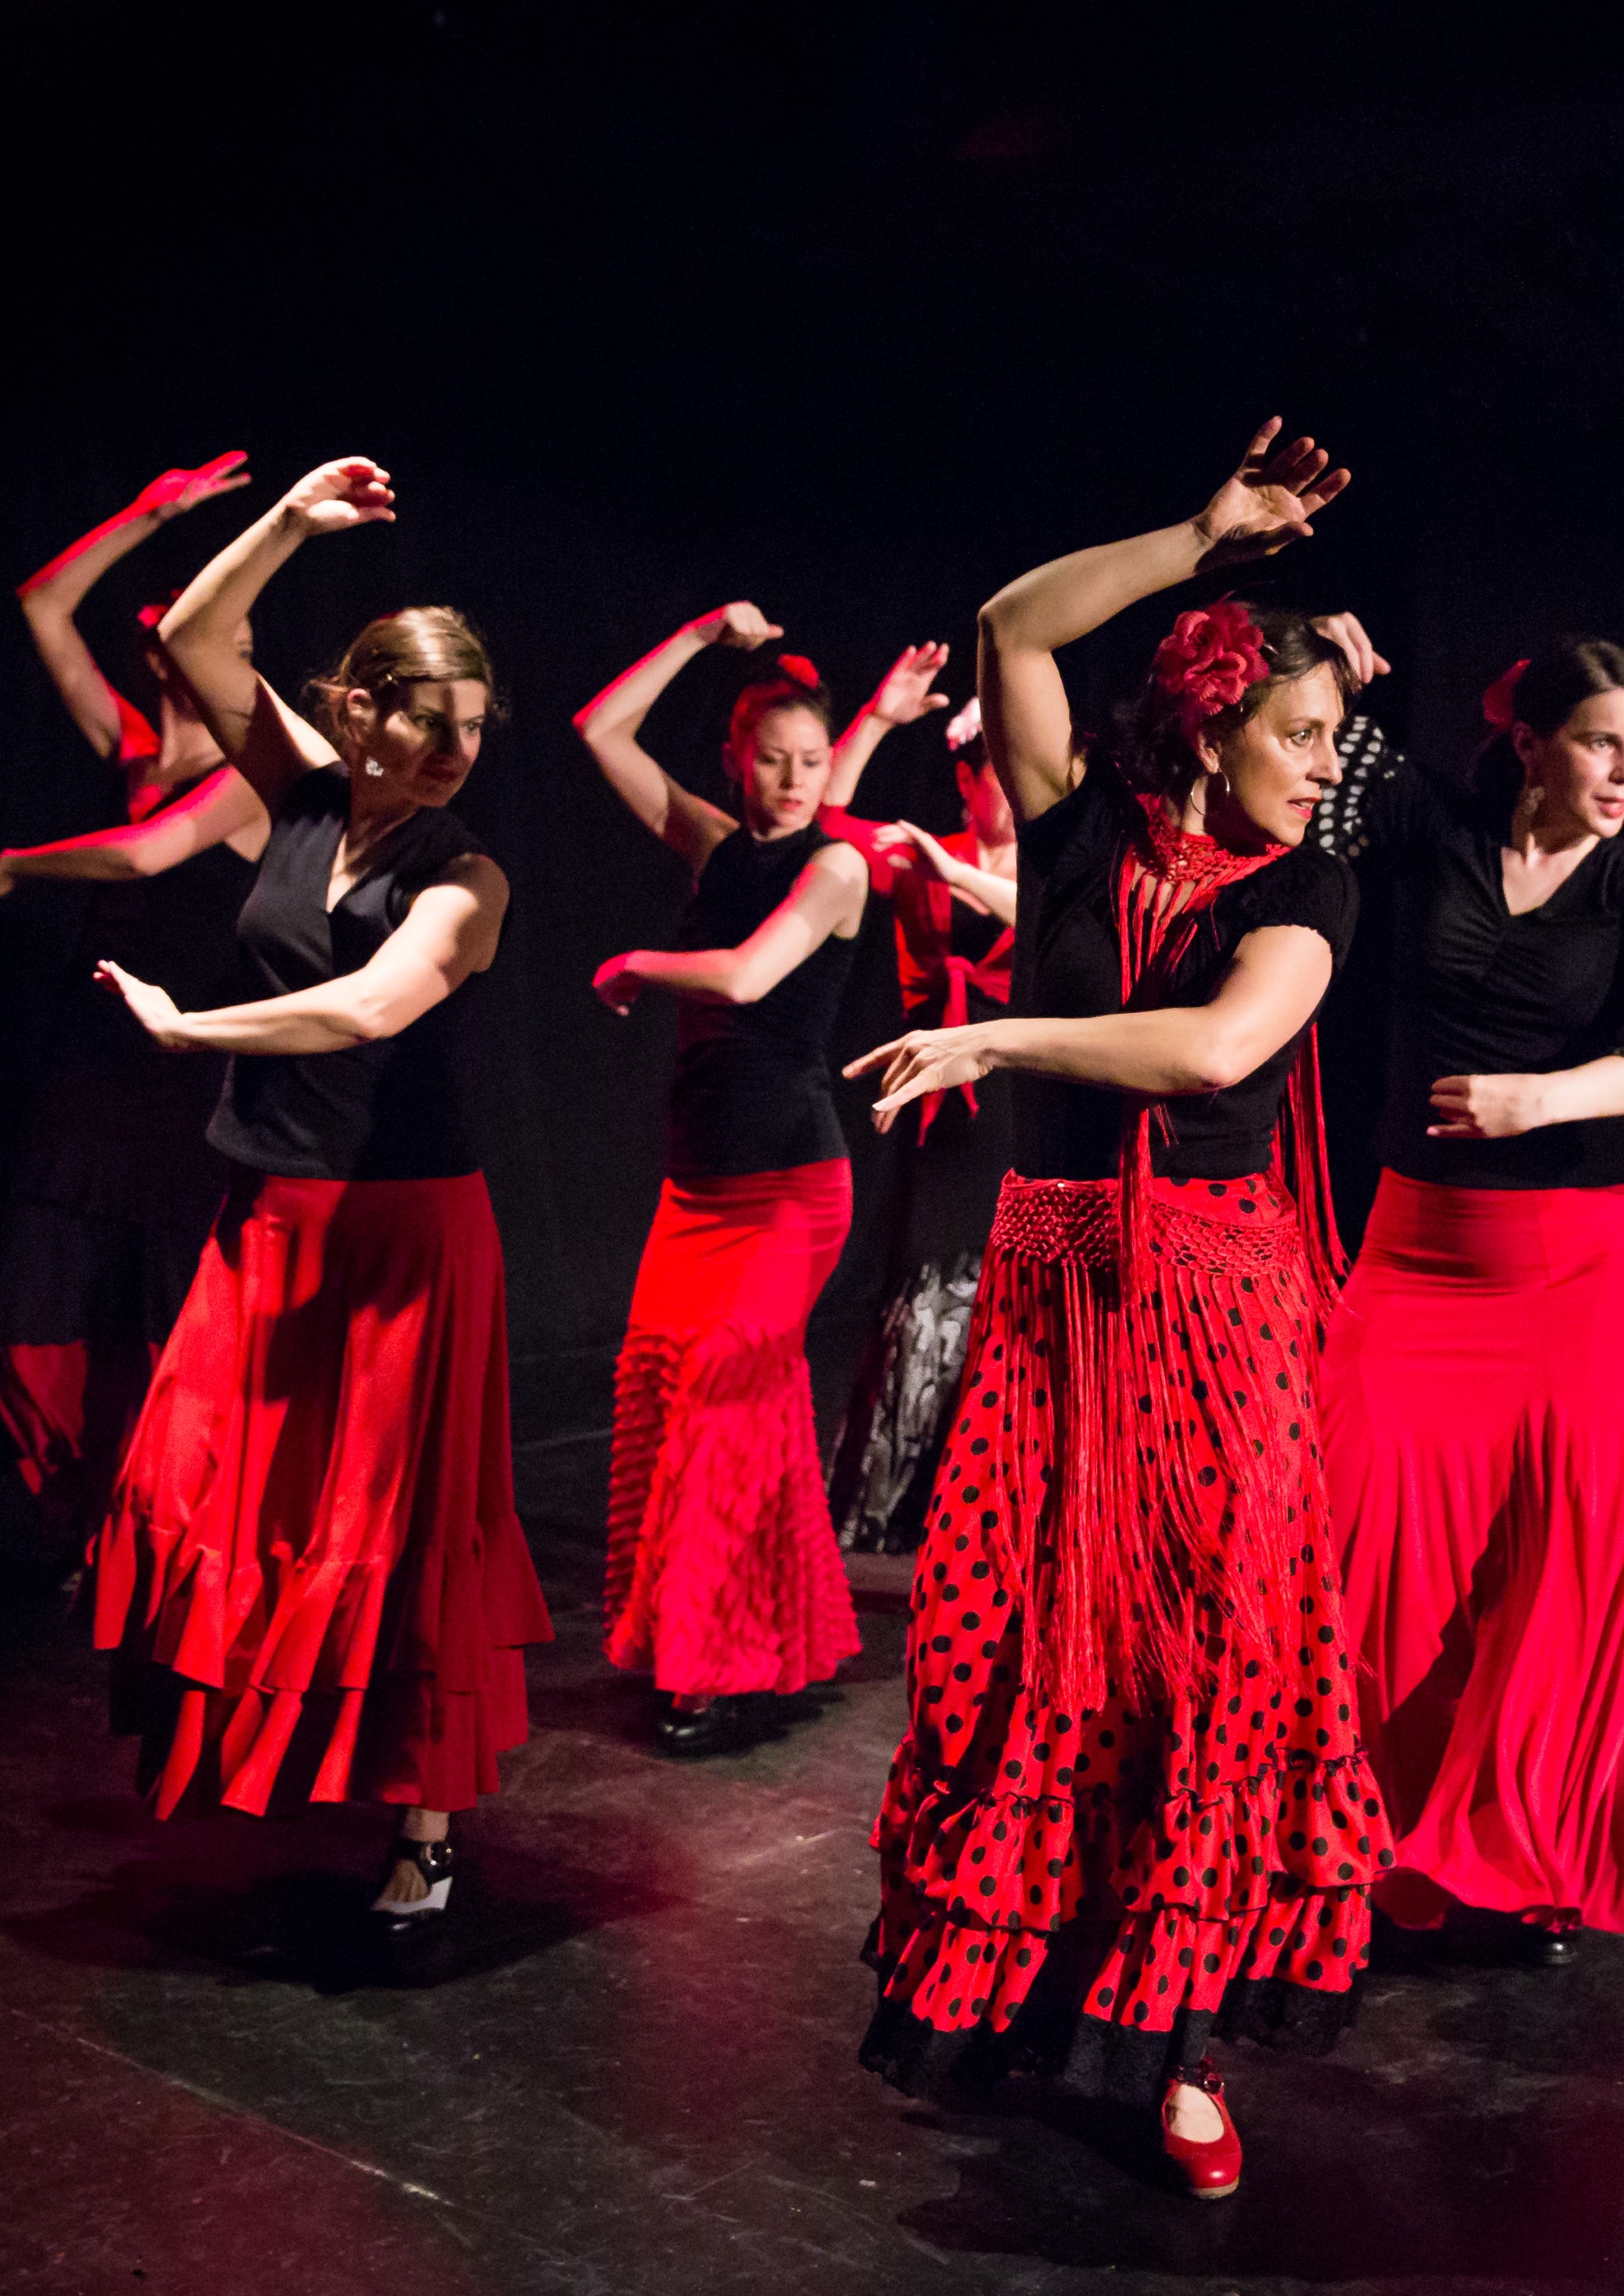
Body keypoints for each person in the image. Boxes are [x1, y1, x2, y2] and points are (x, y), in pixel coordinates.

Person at [841, 421, 1389, 2199]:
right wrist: (1206, 533)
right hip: (1053, 1291)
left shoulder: (1314, 887)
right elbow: (1013, 622)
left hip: (1215, 1308)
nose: (1321, 767)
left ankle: (1182, 2042)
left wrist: (997, 1033)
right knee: (1022, 1650)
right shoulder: (1079, 830)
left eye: (1329, 739)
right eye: (1297, 733)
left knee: (1212, 1662)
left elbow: (1220, 1045)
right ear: (1212, 717)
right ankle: (1037, 1980)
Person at [0, 456, 545, 1935]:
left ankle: (424, 1822)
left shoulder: (468, 879)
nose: (456, 746)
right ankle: (279, 1751)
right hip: (272, 1216)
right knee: (190, 1482)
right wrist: (288, 522)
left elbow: (364, 1009)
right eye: (429, 715)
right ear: (360, 710)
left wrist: (186, 1031)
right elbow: (191, 647)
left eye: (475, 725)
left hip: (403, 1233)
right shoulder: (299, 787)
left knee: (399, 1529)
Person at [1315, 637, 1624, 1964]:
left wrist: (1549, 1096)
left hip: (1587, 1272)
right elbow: (1291, 761)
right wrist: (1336, 669)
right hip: (1420, 1259)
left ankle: (1515, 1864)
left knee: (1559, 1584)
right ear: (1530, 740)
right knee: (1351, 1541)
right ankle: (1336, 1828)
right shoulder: (1430, 825)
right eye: (1598, 742)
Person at [573, 612, 950, 1753]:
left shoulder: (837, 866)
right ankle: (737, 1641)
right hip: (697, 1188)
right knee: (676, 1399)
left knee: (721, 1412)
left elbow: (744, 976)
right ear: (735, 761)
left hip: (789, 1190)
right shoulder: (714, 843)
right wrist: (694, 636)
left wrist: (635, 961)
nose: (793, 781)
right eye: (772, 759)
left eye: (813, 762)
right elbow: (601, 728)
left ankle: (717, 1669)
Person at [0, 453, 268, 1562]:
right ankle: (91, 1521)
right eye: (224, 647)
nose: (241, 671)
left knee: (163, 1325)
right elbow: (43, 604)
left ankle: (166, 1541)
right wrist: (151, 513)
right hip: (92, 1070)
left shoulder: (248, 780)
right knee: (34, 1313)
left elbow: (144, 854)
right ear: (167, 650)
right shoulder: (130, 748)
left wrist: (17, 864)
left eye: (246, 651)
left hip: (186, 1082)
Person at [829, 699, 1022, 1552]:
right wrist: (875, 718)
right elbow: (823, 823)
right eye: (999, 770)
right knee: (926, 1302)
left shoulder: (1060, 867)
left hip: (1027, 1099)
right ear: (965, 777)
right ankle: (896, 1505)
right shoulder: (917, 858)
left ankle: (997, 1507)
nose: (1017, 787)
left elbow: (1057, 927)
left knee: (1015, 1304)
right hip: (942, 1108)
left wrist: (958, 874)